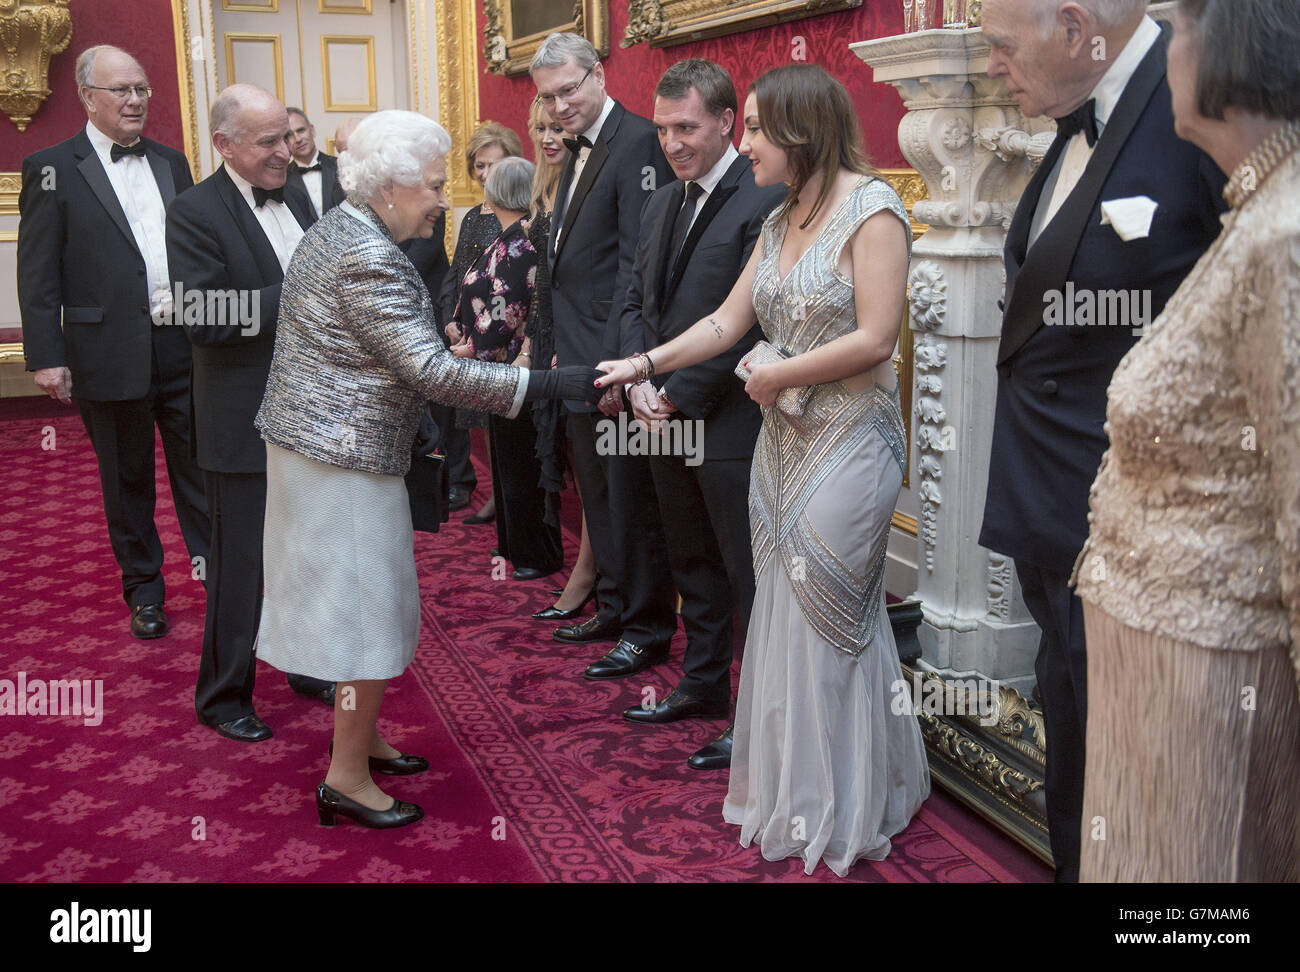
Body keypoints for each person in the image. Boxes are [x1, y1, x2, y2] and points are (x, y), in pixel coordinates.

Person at [596, 64, 930, 876]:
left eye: (752, 128)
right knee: (781, 603)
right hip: (783, 443)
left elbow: (878, 339)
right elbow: (724, 321)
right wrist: (645, 359)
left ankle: (844, 799)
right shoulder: (782, 219)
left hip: (852, 442)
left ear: (800, 130)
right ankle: (801, 784)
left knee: (829, 611)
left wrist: (782, 374)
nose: (742, 145)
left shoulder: (874, 209)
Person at [251, 110, 601, 828]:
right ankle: (345, 779)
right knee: (359, 618)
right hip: (340, 459)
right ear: (391, 187)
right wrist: (541, 386)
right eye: (435, 185)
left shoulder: (349, 228)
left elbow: (393, 345)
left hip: (327, 450)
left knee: (367, 607)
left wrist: (432, 343)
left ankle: (363, 739)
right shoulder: (367, 253)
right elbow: (425, 371)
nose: (445, 199)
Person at [978, 0, 1227, 881]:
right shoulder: (1076, 113)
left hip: (1142, 534)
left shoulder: (1200, 101)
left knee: (1147, 796)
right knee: (1078, 758)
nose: (993, 67)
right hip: (1054, 517)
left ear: (1076, 25)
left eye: (1003, 46)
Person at [1071, 0, 1300, 881]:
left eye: (1183, 29)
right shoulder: (1258, 210)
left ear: (1237, 46)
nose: (1170, 50)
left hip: (1212, 672)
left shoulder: (1283, 234)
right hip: (1164, 660)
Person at [616, 60, 785, 771]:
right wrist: (636, 385)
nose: (672, 142)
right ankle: (703, 685)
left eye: (686, 127)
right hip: (657, 414)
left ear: (724, 121)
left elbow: (750, 324)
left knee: (743, 571)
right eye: (661, 129)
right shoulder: (662, 202)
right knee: (690, 560)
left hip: (728, 422)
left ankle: (757, 715)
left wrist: (676, 393)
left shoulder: (764, 199)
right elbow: (634, 302)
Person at [17, 45, 209, 640]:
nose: (134, 101)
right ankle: (145, 590)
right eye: (120, 90)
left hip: (183, 345)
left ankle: (219, 578)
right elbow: (38, 270)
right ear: (87, 98)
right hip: (106, 351)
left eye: (141, 89)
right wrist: (47, 356)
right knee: (127, 482)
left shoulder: (173, 161)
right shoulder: (51, 165)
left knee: (202, 470)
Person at [165, 83, 333, 743]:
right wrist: (294, 290)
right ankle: (224, 693)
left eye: (287, 137)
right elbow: (202, 316)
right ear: (223, 144)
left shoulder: (293, 190)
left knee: (307, 551)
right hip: (241, 419)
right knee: (240, 566)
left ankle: (305, 662)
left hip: (311, 410)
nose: (284, 152)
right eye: (267, 142)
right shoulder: (193, 211)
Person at [530, 31, 675, 668]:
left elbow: (635, 269)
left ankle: (644, 628)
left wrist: (620, 363)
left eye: (569, 90)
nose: (559, 106)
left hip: (614, 359)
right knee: (598, 493)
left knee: (630, 498)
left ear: (599, 75)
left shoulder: (640, 141)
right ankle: (614, 609)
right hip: (579, 356)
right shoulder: (574, 147)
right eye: (548, 97)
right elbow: (569, 263)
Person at [446, 157, 563, 580]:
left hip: (515, 370)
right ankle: (517, 547)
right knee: (509, 462)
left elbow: (508, 311)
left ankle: (534, 553)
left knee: (520, 465)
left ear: (497, 193)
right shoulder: (509, 237)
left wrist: (471, 347)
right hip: (496, 369)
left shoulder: (521, 244)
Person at [524, 97, 600, 622]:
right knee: (572, 457)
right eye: (541, 128)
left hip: (583, 336)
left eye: (557, 127)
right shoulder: (542, 185)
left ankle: (590, 571)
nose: (551, 136)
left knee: (596, 460)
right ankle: (585, 567)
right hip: (549, 331)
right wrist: (534, 344)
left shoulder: (583, 176)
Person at [439, 121, 526, 521]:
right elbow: (459, 271)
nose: (485, 173)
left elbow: (512, 286)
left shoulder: (523, 215)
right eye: (479, 165)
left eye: (494, 164)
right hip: (471, 333)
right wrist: (452, 319)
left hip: (507, 338)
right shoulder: (473, 215)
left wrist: (480, 332)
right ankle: (500, 498)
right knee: (487, 423)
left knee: (511, 424)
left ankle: (513, 502)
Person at [285, 107, 343, 218]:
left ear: (312, 130)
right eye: (289, 135)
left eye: (301, 130)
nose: (297, 139)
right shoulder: (283, 179)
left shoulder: (340, 166)